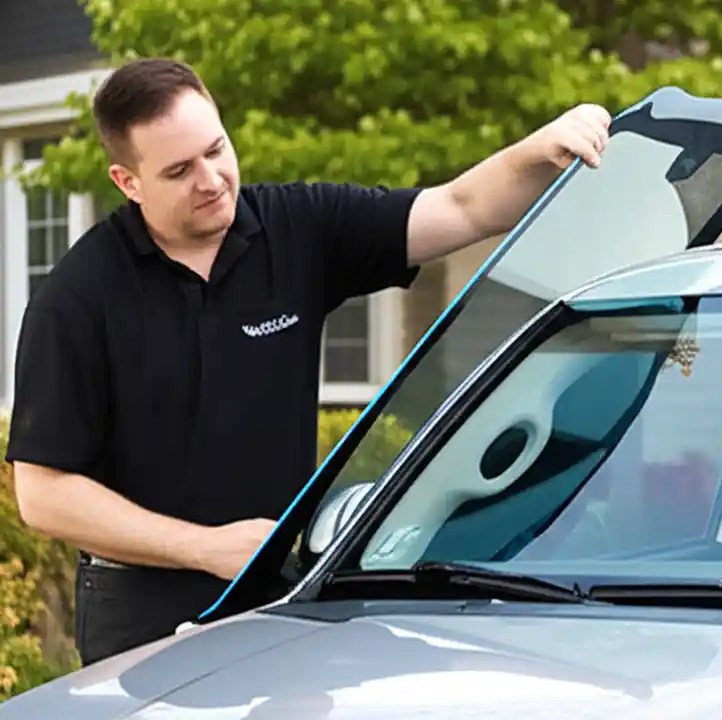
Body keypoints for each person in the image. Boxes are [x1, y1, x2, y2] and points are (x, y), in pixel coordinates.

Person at [4, 57, 611, 665]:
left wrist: (540, 150)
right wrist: (204, 548)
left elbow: (462, 208)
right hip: (140, 614)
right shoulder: (78, 297)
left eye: (216, 150)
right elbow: (44, 494)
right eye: (179, 170)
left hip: (286, 594)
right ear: (128, 181)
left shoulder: (297, 228)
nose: (211, 180)